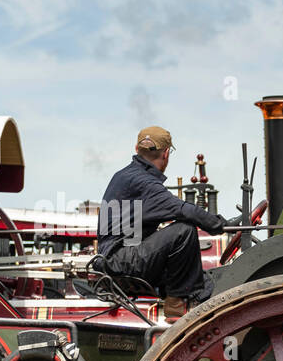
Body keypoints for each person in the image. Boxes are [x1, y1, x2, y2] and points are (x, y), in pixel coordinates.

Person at [96, 126, 228, 318]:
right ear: (166, 154)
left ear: (136, 148)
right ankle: (176, 303)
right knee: (184, 230)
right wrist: (221, 225)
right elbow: (184, 210)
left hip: (117, 256)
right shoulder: (145, 183)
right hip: (121, 259)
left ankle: (206, 301)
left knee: (203, 280)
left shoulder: (124, 175)